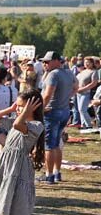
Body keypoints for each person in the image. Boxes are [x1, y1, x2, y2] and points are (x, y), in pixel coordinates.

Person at [39, 51, 74, 184]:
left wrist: (39, 109)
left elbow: (47, 95)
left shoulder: (53, 74)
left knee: (49, 145)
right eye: (44, 62)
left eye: (47, 62)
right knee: (57, 143)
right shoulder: (68, 73)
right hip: (64, 110)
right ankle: (56, 172)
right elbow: (76, 87)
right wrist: (64, 98)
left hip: (52, 112)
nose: (44, 64)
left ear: (56, 61)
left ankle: (49, 176)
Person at [75, 57, 99, 131]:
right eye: (85, 62)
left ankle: (89, 125)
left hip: (86, 93)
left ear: (92, 63)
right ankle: (83, 125)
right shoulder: (83, 71)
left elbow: (93, 83)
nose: (86, 63)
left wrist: (83, 89)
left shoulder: (94, 71)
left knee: (82, 109)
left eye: (88, 62)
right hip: (78, 92)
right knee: (80, 109)